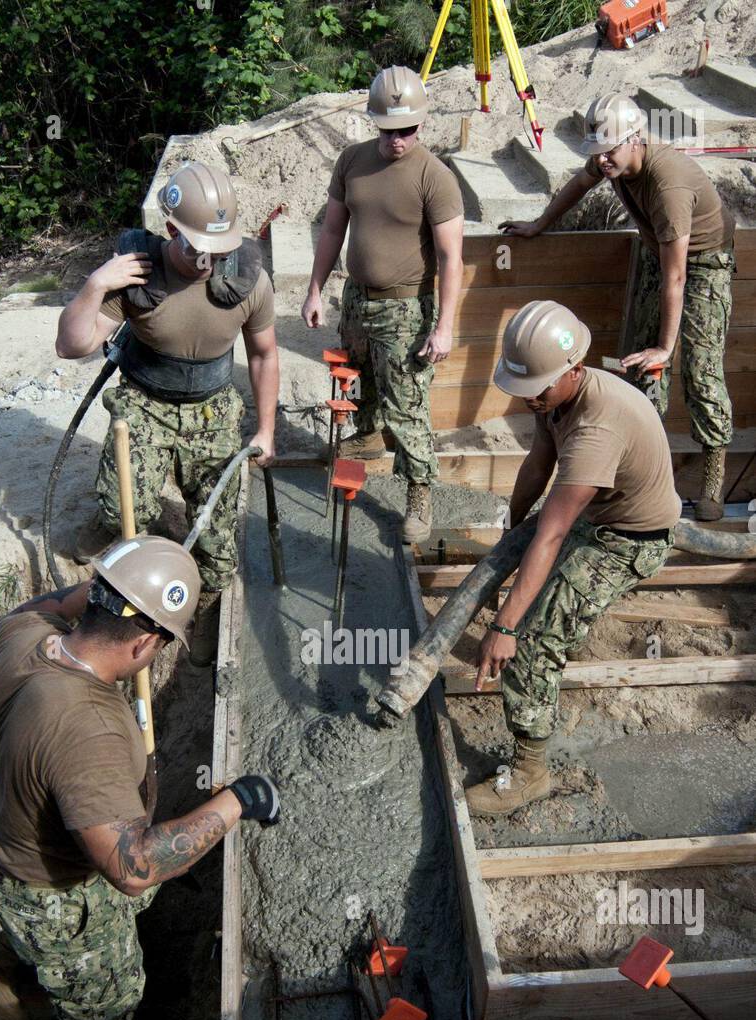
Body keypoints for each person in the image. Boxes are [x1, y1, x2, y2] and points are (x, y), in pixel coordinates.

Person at [0, 537, 279, 1020]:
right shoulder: (89, 731)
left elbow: (54, 605)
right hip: (57, 895)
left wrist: (123, 580)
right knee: (108, 995)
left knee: (106, 919)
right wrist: (239, 801)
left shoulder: (23, 635)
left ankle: (3, 952)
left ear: (98, 598)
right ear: (147, 644)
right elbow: (135, 866)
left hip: (16, 851)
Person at [56, 160, 279, 663]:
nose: (209, 262)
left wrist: (266, 428)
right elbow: (71, 346)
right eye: (199, 248)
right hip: (145, 401)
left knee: (219, 549)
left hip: (214, 410)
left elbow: (265, 355)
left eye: (219, 250)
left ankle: (200, 609)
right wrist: (95, 285)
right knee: (123, 509)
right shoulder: (136, 273)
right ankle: (119, 534)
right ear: (171, 229)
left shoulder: (247, 279)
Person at [465, 300, 681, 817]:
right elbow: (539, 465)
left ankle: (529, 772)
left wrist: (507, 625)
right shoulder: (553, 398)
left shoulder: (596, 429)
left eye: (538, 389)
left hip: (629, 538)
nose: (530, 399)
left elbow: (555, 531)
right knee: (534, 583)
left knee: (533, 642)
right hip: (598, 514)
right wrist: (510, 534)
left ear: (575, 369)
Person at [500, 94, 736, 521]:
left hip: (703, 264)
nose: (602, 161)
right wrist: (539, 225)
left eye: (609, 152)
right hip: (657, 253)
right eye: (597, 153)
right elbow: (577, 185)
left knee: (701, 370)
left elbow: (677, 277)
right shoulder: (612, 158)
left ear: (636, 139)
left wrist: (666, 346)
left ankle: (713, 478)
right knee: (636, 361)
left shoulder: (669, 186)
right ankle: (646, 461)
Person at [302, 65, 464, 543]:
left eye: (407, 130)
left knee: (407, 406)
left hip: (407, 308)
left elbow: (453, 258)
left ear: (422, 123)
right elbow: (333, 228)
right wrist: (315, 288)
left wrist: (445, 326)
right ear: (375, 123)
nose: (398, 139)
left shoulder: (435, 177)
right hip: (357, 300)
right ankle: (368, 434)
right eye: (389, 130)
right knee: (361, 377)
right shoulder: (352, 161)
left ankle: (419, 491)